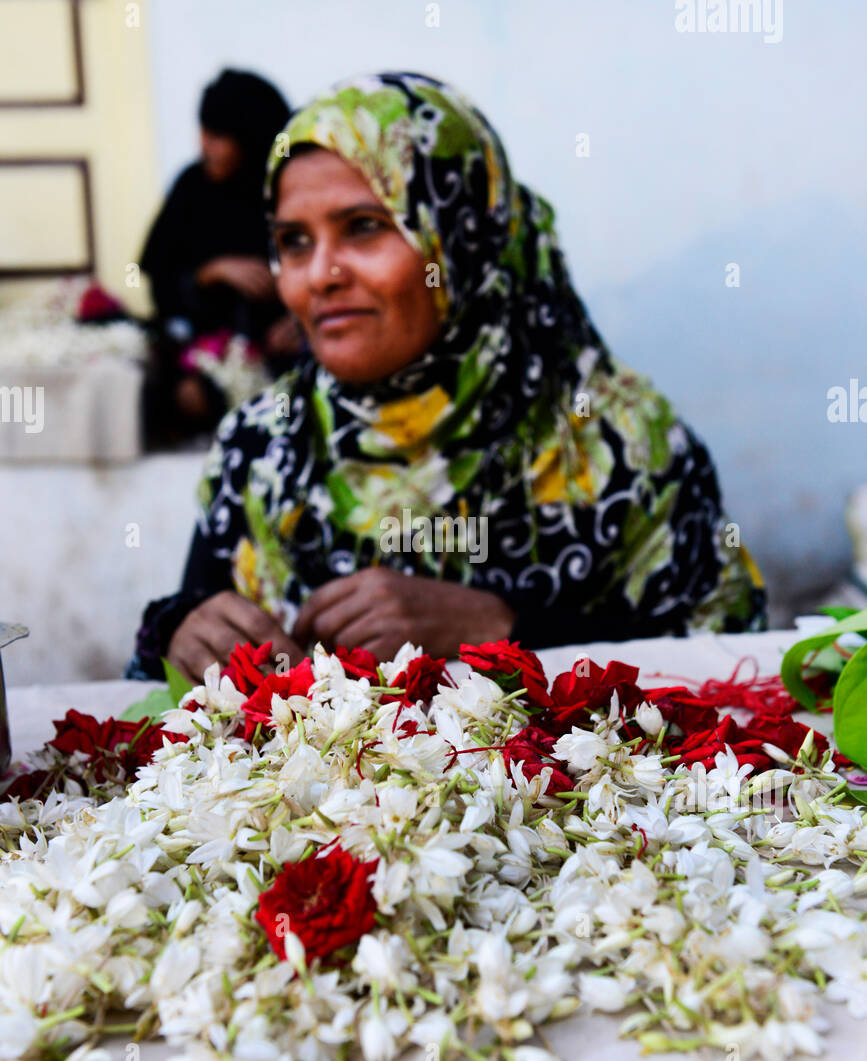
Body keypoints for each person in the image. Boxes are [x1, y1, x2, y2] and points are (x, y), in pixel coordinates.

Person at [128, 71, 766, 682]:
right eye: (294, 242)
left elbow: (731, 662)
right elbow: (176, 684)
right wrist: (177, 630)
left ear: (463, 236)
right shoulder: (263, 446)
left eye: (365, 228)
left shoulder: (618, 441)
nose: (319, 274)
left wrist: (508, 628)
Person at [140, 68, 300, 438]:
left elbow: (334, 271)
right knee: (182, 396)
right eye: (203, 132)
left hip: (286, 358)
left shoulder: (292, 190)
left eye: (216, 136)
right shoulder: (192, 188)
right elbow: (160, 285)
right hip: (208, 355)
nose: (203, 147)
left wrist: (303, 322)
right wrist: (210, 273)